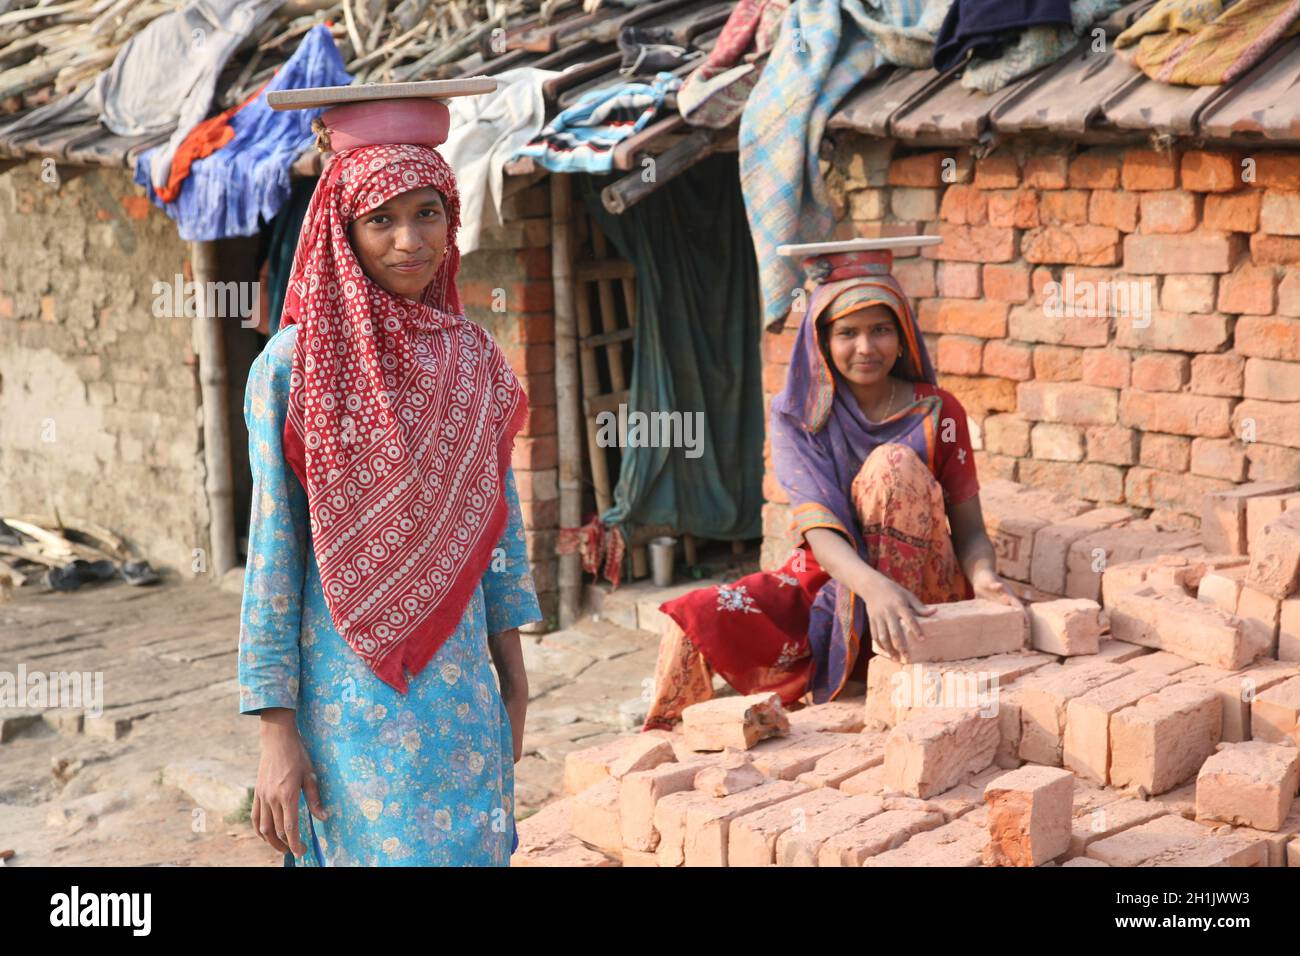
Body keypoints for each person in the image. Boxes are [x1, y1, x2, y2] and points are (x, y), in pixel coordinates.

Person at [237, 102, 541, 866]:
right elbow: (274, 550)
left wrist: (514, 679)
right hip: (348, 706)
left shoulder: (474, 358)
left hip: (465, 693)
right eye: (381, 221)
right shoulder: (291, 369)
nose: (411, 241)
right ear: (342, 233)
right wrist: (276, 730)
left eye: (428, 213)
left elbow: (496, 531)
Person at [643, 243, 1021, 730]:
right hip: (833, 577)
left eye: (881, 330)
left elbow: (969, 529)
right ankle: (664, 758)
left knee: (892, 465)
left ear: (903, 335)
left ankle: (889, 662)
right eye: (848, 333)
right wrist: (872, 587)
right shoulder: (797, 415)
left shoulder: (938, 411)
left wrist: (985, 574)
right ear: (821, 340)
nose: (866, 348)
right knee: (693, 619)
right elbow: (820, 534)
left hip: (919, 597)